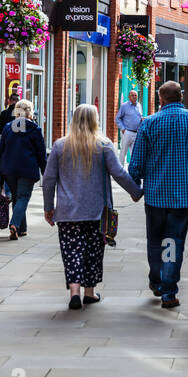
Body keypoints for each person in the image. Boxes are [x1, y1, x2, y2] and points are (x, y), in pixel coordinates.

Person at [42, 105, 142, 310]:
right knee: (93, 251)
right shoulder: (103, 145)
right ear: (95, 120)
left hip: (68, 212)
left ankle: (74, 292)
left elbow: (49, 179)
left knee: (72, 251)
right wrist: (136, 191)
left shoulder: (60, 146)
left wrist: (48, 207)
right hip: (97, 211)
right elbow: (119, 173)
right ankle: (89, 292)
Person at [129, 82, 188, 308]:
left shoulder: (149, 123)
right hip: (183, 196)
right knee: (173, 241)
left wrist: (136, 185)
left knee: (155, 240)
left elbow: (136, 162)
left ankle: (157, 280)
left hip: (156, 195)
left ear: (161, 99)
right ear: (181, 97)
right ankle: (169, 290)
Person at [0, 98, 47, 240]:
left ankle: (21, 228)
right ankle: (14, 224)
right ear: (30, 112)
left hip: (9, 169)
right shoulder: (34, 129)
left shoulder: (8, 127)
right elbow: (41, 153)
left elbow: (1, 150)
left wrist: (0, 169)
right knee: (23, 197)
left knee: (17, 198)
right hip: (27, 169)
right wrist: (45, 171)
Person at [116, 90, 143, 165]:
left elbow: (139, 116)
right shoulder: (124, 106)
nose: (134, 97)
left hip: (136, 133)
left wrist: (142, 119)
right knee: (123, 152)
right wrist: (123, 129)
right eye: (132, 95)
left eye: (135, 95)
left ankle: (133, 170)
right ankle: (120, 170)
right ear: (129, 97)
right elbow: (118, 118)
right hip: (127, 132)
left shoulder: (139, 105)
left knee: (134, 153)